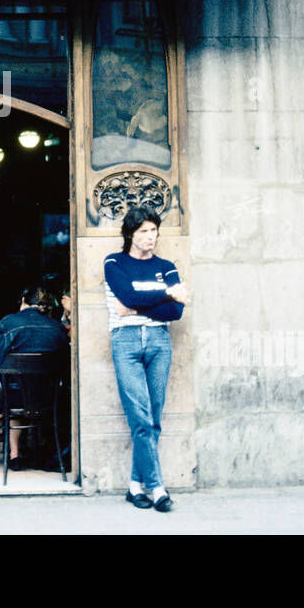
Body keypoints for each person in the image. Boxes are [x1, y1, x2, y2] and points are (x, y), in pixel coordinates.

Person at [104, 205, 189, 513]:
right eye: (144, 231)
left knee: (153, 417)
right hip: (125, 342)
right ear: (131, 234)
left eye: (154, 230)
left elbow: (175, 312)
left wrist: (138, 307)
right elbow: (128, 296)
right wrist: (167, 294)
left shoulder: (166, 265)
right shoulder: (114, 262)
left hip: (159, 342)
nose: (150, 237)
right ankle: (157, 488)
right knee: (141, 417)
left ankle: (135, 486)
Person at [0, 284, 70, 469]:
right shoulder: (56, 327)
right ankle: (19, 453)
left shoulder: (8, 324)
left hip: (12, 397)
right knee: (20, 389)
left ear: (23, 301)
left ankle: (14, 454)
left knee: (10, 388)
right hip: (49, 398)